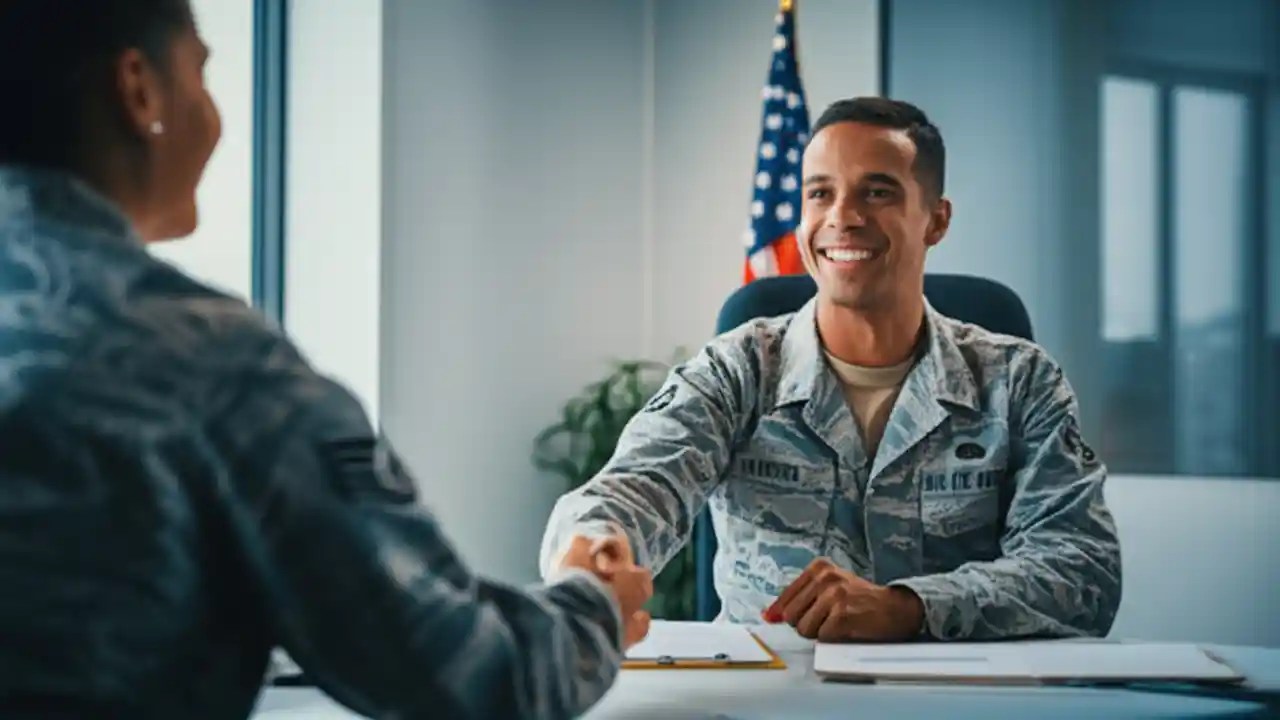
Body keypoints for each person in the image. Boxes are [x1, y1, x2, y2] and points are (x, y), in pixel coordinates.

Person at [0, 1, 651, 718]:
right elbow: (473, 678)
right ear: (140, 89)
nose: (214, 113)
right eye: (201, 73)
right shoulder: (209, 362)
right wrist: (596, 605)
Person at [541, 97, 1122, 643]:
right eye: (820, 194)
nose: (842, 218)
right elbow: (634, 489)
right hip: (769, 696)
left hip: (954, 698)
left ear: (936, 221)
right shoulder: (738, 371)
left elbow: (1083, 568)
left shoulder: (1019, 382)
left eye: (877, 193)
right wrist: (594, 550)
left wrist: (908, 608)